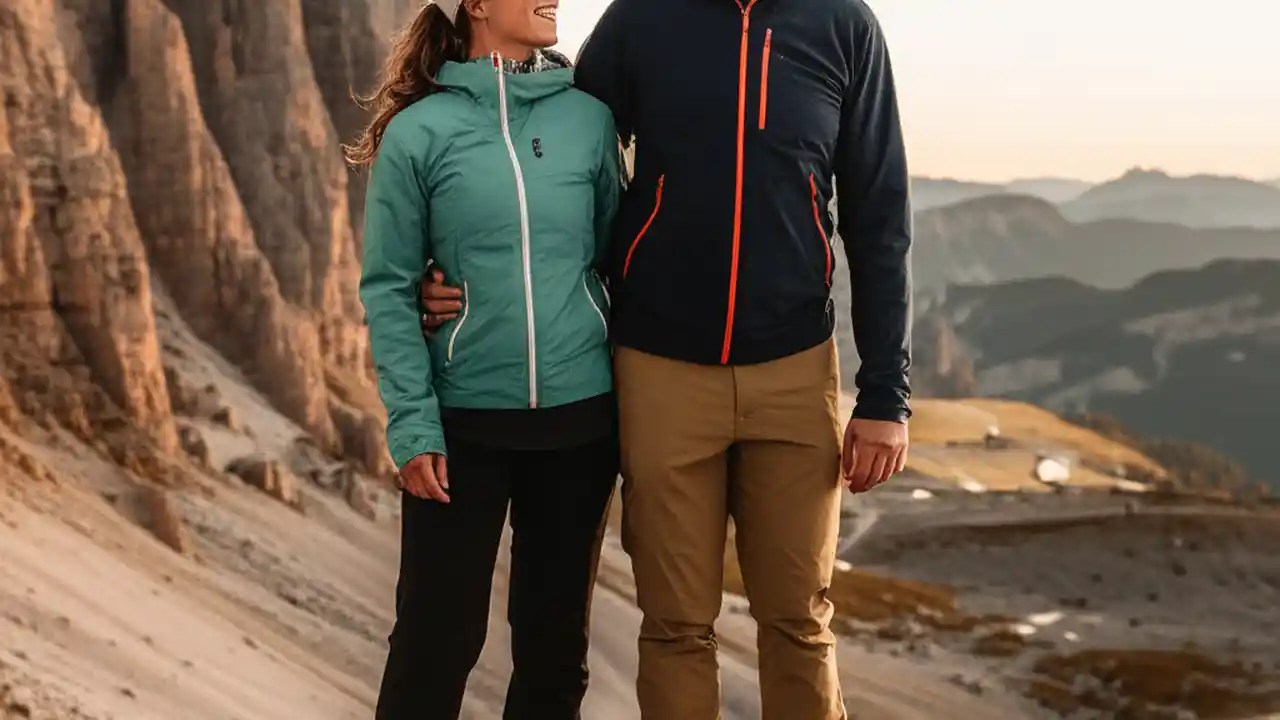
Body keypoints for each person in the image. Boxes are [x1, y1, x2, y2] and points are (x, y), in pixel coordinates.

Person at [423, 0, 913, 717]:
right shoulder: (643, 19)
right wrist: (452, 262)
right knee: (676, 625)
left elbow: (879, 213)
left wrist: (886, 397)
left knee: (799, 621)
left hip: (796, 368)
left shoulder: (845, 26)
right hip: (660, 369)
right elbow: (549, 145)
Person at [348, 0, 622, 717]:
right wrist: (412, 425)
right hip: (462, 426)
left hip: (581, 425)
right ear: (474, 4)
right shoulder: (419, 134)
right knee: (434, 648)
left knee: (555, 653)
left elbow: (618, 255)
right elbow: (387, 286)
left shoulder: (587, 120)